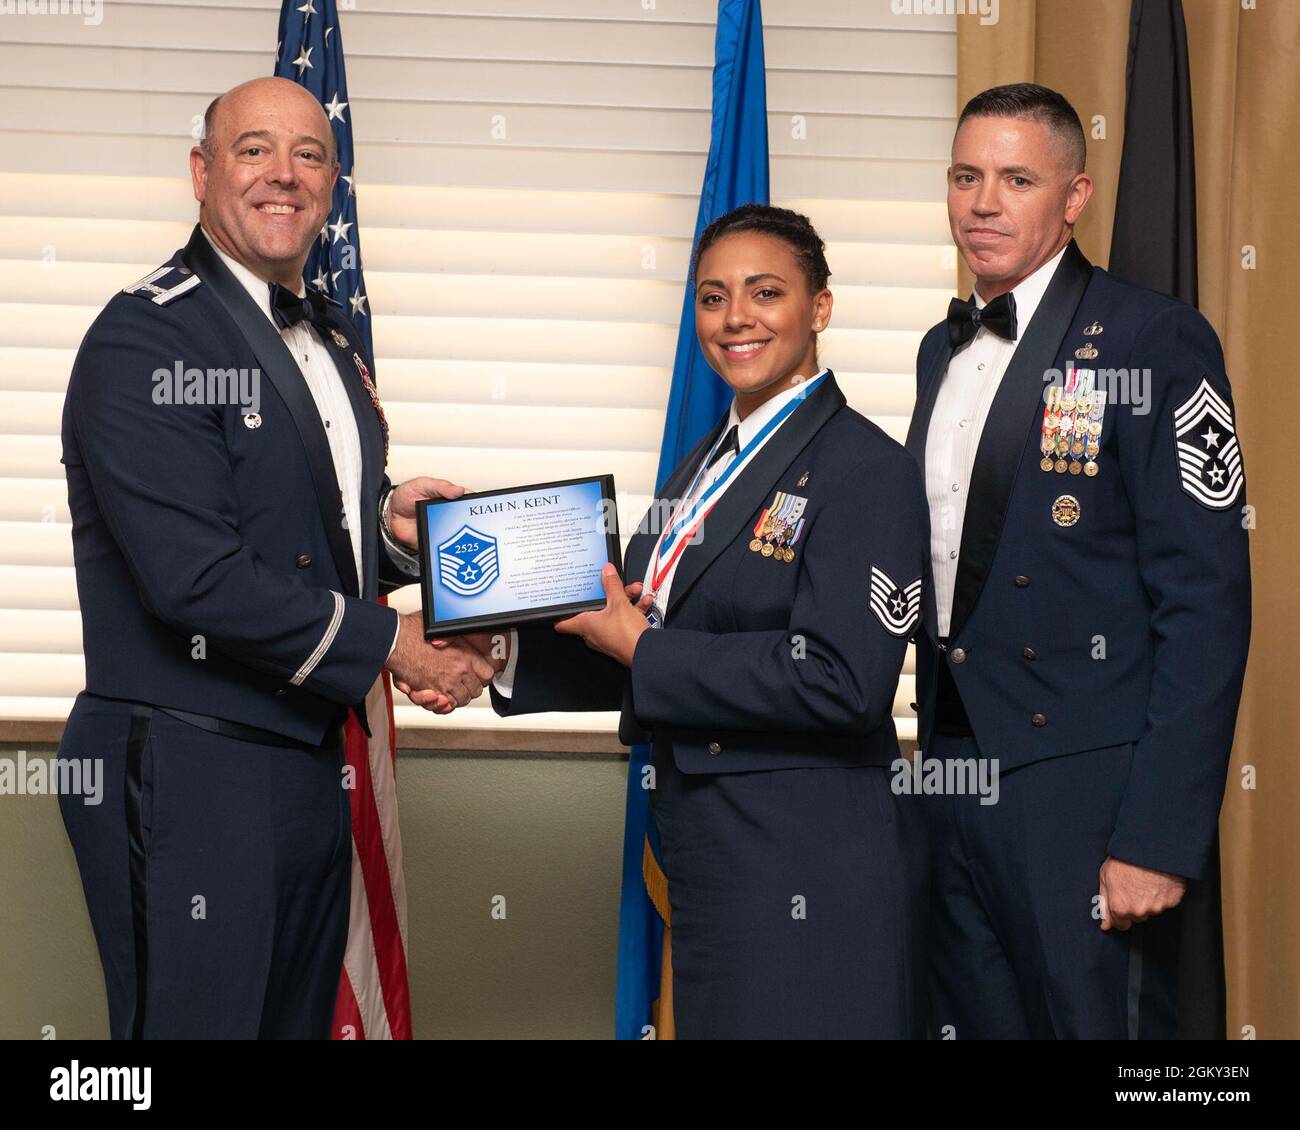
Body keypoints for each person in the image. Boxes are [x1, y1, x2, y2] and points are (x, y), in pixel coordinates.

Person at [417, 204, 931, 1038]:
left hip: (808, 865)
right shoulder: (705, 464)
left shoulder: (865, 468)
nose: (736, 319)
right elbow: (629, 630)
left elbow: (844, 682)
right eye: (712, 297)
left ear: (821, 308)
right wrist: (497, 650)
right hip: (714, 859)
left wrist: (645, 646)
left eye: (766, 292)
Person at [57, 77, 491, 1039]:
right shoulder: (147, 334)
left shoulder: (326, 335)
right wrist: (397, 648)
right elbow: (194, 579)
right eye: (254, 150)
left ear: (332, 183)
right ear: (202, 173)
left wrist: (389, 533)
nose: (283, 175)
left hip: (303, 756)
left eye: (309, 155)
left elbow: (293, 535)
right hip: (189, 759)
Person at [905, 83, 1251, 1039]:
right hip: (953, 771)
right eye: (966, 176)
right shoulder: (941, 348)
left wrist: (1157, 839)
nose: (984, 203)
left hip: (1089, 794)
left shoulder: (1157, 339)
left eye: (1017, 179)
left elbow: (1207, 604)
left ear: (1075, 195)